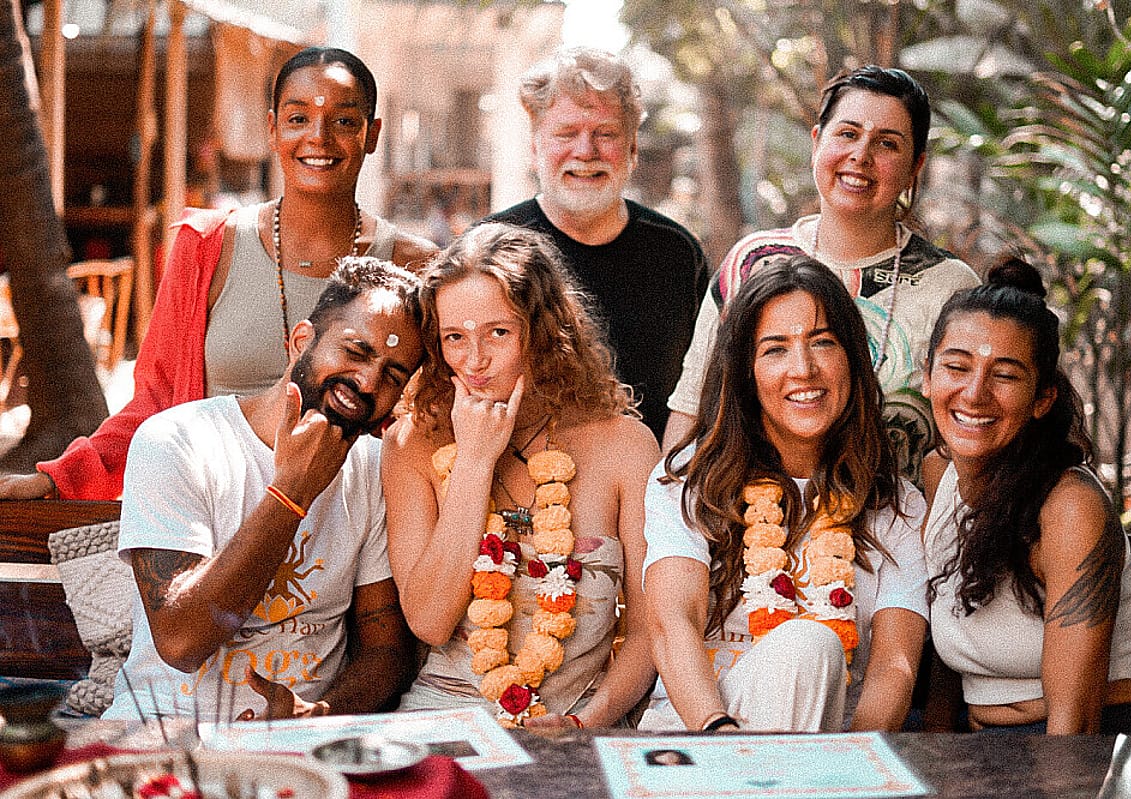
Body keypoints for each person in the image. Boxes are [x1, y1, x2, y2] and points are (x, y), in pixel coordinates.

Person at [0, 46, 436, 501]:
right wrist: (60, 478)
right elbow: (155, 402)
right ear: (271, 129)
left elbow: (432, 417)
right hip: (209, 511)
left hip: (355, 524)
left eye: (345, 121)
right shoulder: (209, 246)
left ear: (373, 134)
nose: (318, 138)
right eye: (297, 118)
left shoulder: (415, 267)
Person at [104, 257, 424, 722]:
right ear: (302, 342)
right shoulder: (176, 441)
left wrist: (319, 713)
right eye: (356, 351)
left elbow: (385, 650)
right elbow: (180, 641)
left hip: (305, 747)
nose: (369, 380)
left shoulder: (374, 467)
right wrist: (292, 495)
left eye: (393, 375)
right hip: (167, 736)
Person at [384, 222, 660, 728]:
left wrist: (586, 724)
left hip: (582, 726)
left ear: (543, 331)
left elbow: (650, 630)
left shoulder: (624, 445)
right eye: (454, 338)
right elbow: (429, 620)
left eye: (498, 333)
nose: (475, 360)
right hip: (445, 723)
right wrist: (473, 461)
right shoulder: (412, 443)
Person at [640, 256, 928, 733]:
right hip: (699, 745)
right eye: (775, 349)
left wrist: (850, 772)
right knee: (807, 645)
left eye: (823, 343)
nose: (804, 369)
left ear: (853, 361)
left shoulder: (894, 506)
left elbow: (893, 670)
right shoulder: (688, 481)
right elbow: (675, 626)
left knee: (808, 648)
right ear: (745, 372)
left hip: (826, 764)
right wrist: (721, 735)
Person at [664, 66, 978, 482]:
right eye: (847, 134)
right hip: (755, 530)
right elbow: (691, 416)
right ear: (817, 143)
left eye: (887, 144)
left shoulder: (951, 288)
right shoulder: (752, 264)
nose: (861, 156)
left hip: (901, 536)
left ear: (914, 166)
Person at [921, 259, 1131, 735]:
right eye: (956, 367)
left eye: (1005, 375)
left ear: (1042, 398)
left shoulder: (1068, 507)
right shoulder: (939, 473)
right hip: (986, 752)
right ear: (927, 376)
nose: (974, 394)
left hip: (1103, 745)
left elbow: (1074, 726)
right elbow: (946, 657)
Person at [485, 47, 707, 442]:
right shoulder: (488, 251)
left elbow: (706, 391)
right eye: (566, 134)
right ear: (535, 149)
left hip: (651, 490)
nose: (585, 151)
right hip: (523, 489)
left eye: (605, 134)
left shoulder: (678, 255)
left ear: (633, 149)